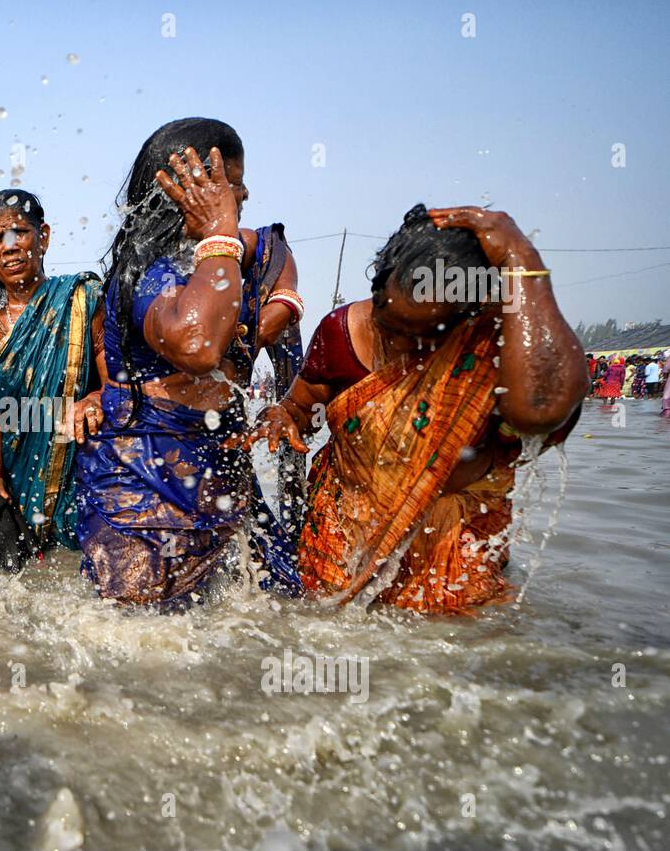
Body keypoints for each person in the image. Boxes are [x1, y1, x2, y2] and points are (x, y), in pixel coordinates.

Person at [246, 204, 587, 613]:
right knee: (325, 626)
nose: (400, 345)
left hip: (456, 545)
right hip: (343, 535)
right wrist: (284, 416)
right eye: (389, 322)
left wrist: (520, 258)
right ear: (379, 284)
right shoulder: (341, 332)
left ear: (468, 318)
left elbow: (541, 410)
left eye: (424, 336)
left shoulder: (492, 346)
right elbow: (301, 405)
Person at [75, 119, 305, 606]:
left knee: (286, 604)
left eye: (239, 183)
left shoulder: (243, 254)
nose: (242, 194)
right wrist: (219, 235)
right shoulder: (145, 273)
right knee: (140, 637)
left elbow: (276, 265)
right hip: (140, 489)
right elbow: (198, 347)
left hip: (223, 472)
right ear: (186, 189)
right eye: (229, 183)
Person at [0, 189, 106, 550]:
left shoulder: (83, 298)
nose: (8, 247)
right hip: (13, 474)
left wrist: (95, 397)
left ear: (44, 236)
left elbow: (117, 383)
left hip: (80, 470)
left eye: (19, 233)